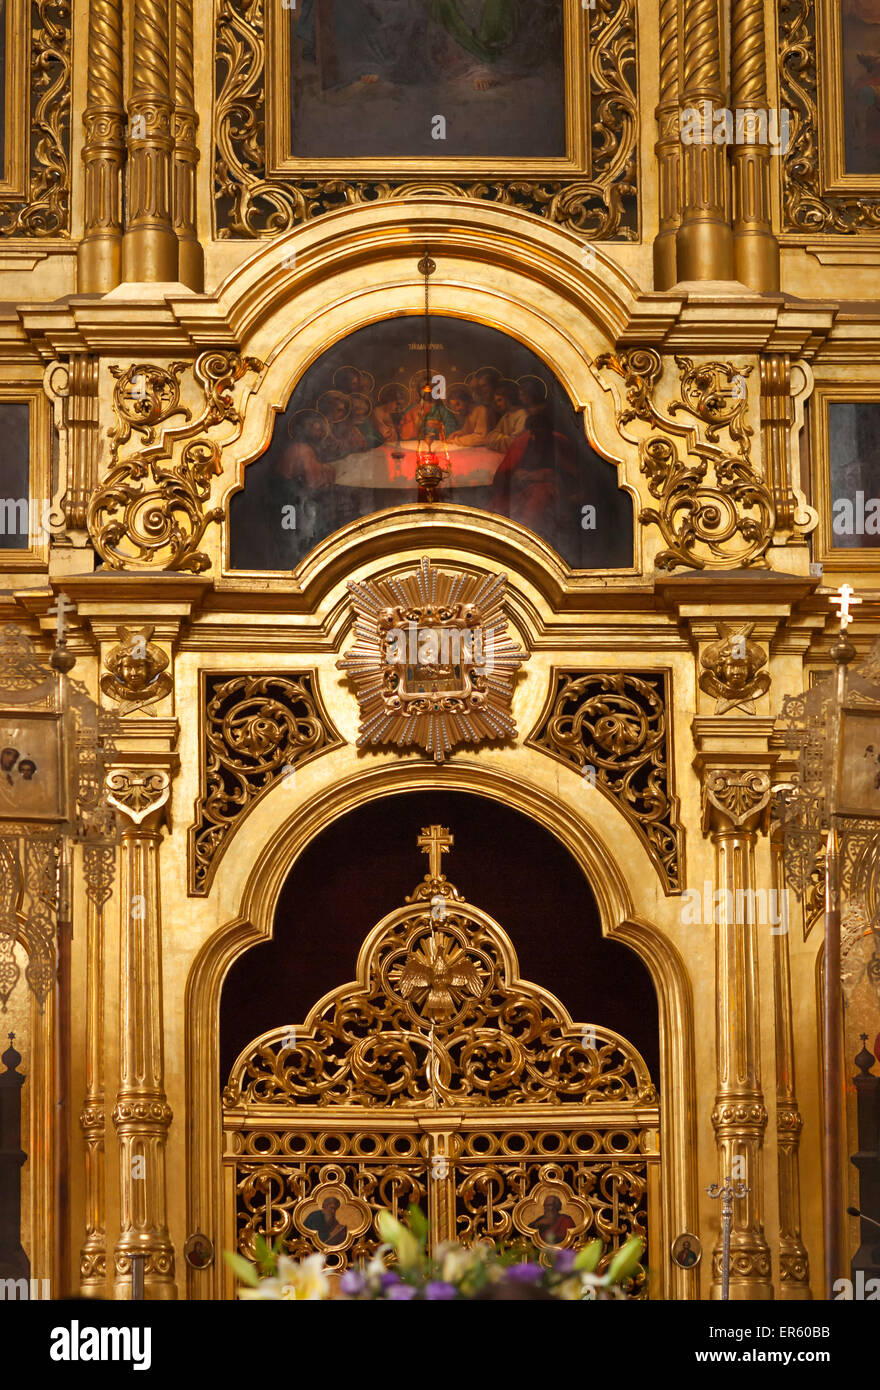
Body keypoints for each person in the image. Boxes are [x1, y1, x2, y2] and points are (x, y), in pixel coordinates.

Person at [490, 411, 582, 545]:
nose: (540, 438)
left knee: (540, 493)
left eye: (544, 434)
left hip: (550, 494)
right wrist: (524, 476)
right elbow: (505, 476)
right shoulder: (522, 443)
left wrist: (549, 475)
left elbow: (573, 476)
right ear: (531, 433)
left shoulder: (559, 443)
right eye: (536, 434)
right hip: (520, 492)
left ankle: (525, 540)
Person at [316, 391, 367, 460]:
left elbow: (361, 444)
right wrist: (351, 444)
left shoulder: (338, 424)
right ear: (329, 408)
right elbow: (332, 449)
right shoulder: (319, 425)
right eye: (339, 410)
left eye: (343, 410)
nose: (342, 413)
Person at [486, 379, 527, 452]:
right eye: (496, 401)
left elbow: (515, 443)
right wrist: (504, 438)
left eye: (500, 400)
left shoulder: (522, 415)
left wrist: (498, 437)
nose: (497, 404)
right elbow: (490, 437)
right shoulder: (506, 416)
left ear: (508, 398)